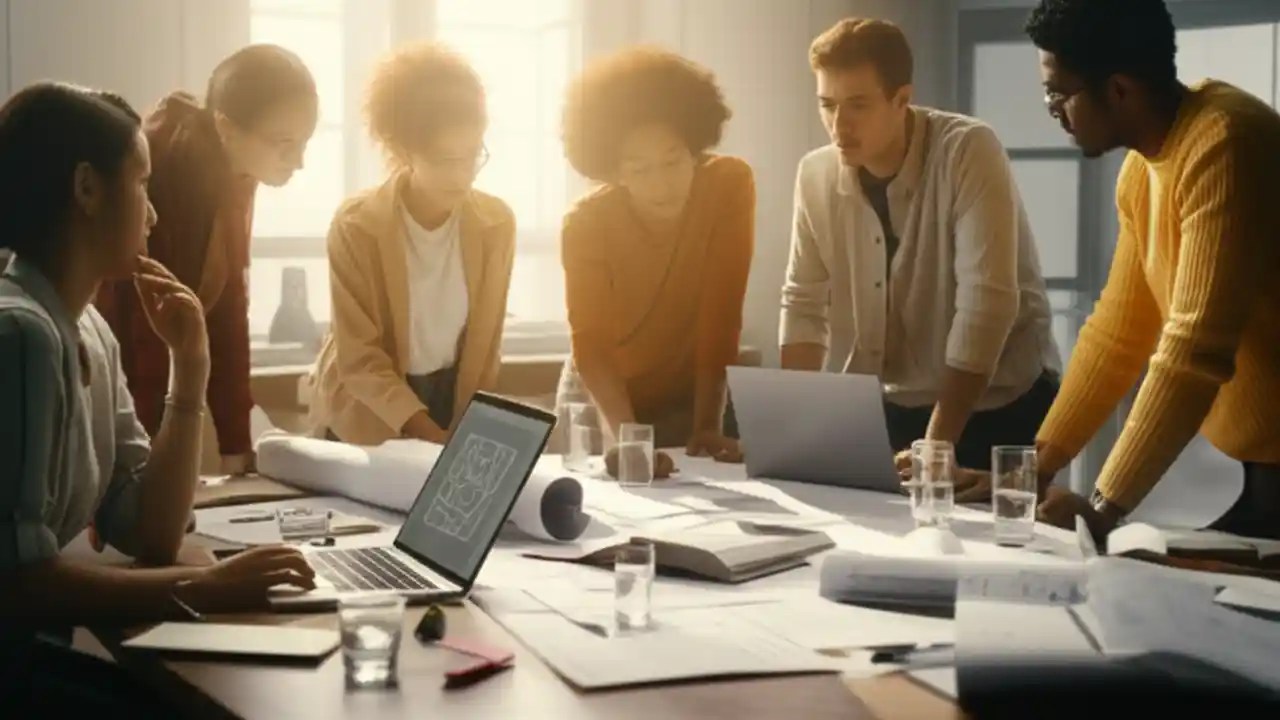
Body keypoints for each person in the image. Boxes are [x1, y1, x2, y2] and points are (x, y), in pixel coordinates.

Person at [0, 82, 314, 713]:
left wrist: (190, 367)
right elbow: (18, 585)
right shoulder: (21, 334)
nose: (153, 215)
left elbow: (151, 532)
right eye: (142, 184)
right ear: (87, 188)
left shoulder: (88, 327)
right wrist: (203, 585)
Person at [1019, 0, 1280, 539]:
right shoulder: (1141, 170)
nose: (1052, 110)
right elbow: (1118, 332)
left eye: (1058, 94)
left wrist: (1102, 507)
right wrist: (1032, 472)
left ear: (1118, 89)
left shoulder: (1225, 144)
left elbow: (1194, 348)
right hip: (1257, 470)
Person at [780, 18, 1061, 471]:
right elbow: (803, 302)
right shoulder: (815, 175)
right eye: (827, 105)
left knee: (976, 514)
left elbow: (985, 306)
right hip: (891, 403)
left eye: (857, 105)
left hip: (997, 402)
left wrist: (936, 445)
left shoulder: (968, 149)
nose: (838, 125)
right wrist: (792, 428)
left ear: (902, 99)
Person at [95, 45, 319, 475]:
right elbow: (144, 326)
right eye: (284, 144)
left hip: (143, 387)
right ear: (226, 127)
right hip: (111, 379)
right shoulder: (165, 168)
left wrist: (237, 449)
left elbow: (228, 309)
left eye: (305, 142)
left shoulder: (236, 170)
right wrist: (146, 470)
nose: (299, 162)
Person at [556, 47, 755, 474]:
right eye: (640, 170)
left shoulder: (728, 186)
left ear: (694, 148)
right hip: (603, 397)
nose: (662, 184)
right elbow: (592, 346)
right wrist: (626, 438)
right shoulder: (585, 223)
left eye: (673, 160)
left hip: (688, 391)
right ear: (614, 171)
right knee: (618, 496)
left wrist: (707, 424)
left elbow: (722, 314)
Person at [307, 42, 514, 446]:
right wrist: (428, 436)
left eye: (472, 156)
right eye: (445, 160)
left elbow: (486, 348)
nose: (462, 175)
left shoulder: (496, 224)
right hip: (369, 411)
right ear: (404, 151)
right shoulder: (357, 227)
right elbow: (361, 359)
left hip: (451, 400)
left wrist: (465, 434)